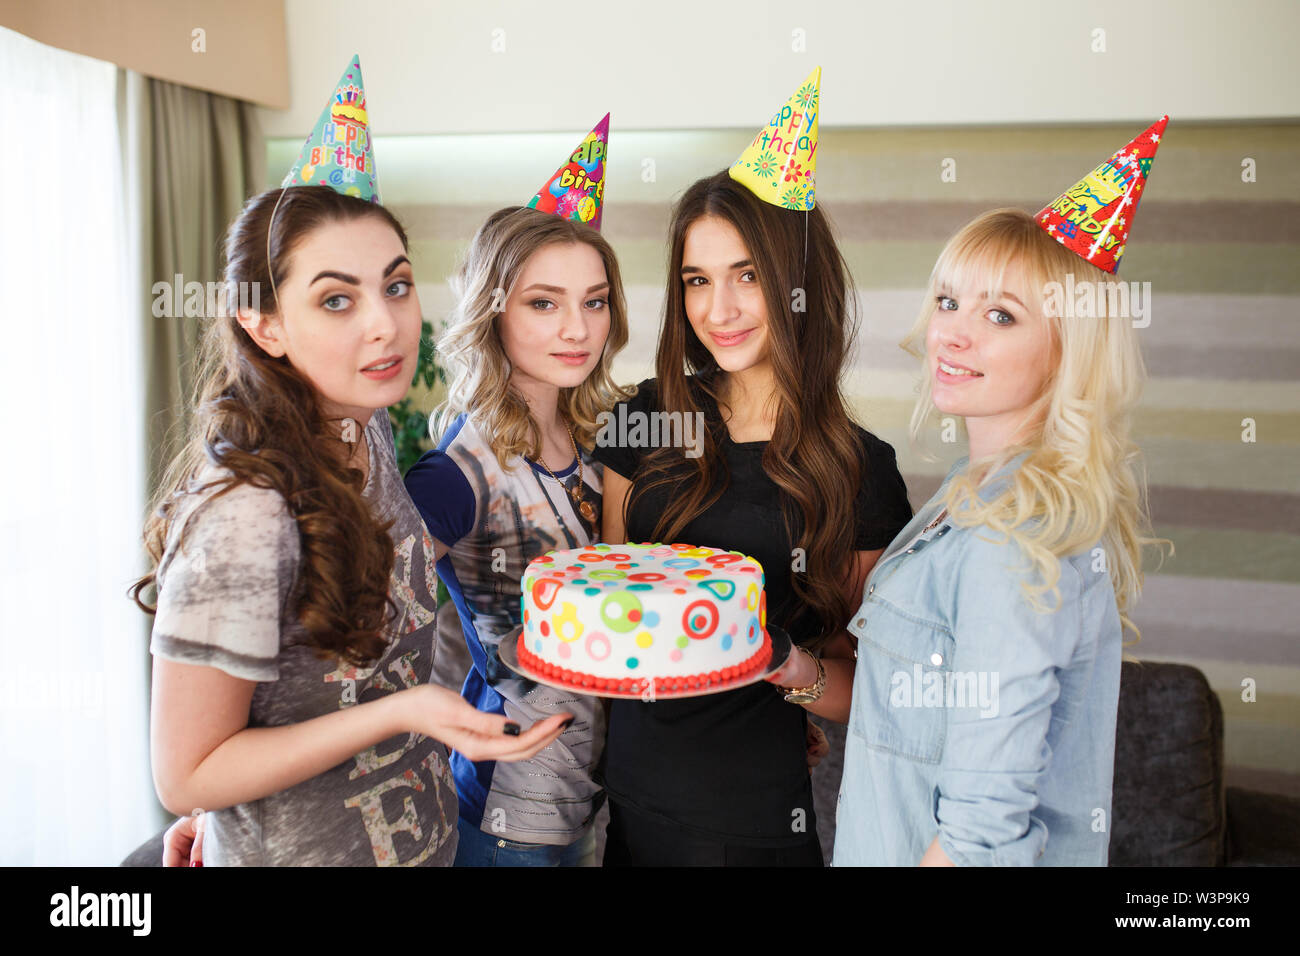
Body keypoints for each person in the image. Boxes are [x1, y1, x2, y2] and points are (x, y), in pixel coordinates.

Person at [136, 59, 568, 866]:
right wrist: (405, 711)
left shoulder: (359, 431)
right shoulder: (245, 512)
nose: (386, 325)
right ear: (264, 325)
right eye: (337, 299)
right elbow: (186, 768)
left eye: (396, 287)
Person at [827, 119, 1170, 866]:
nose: (951, 334)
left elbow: (981, 837)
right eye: (949, 301)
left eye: (1001, 315)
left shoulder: (1015, 532)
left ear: (1066, 352)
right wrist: (787, 667)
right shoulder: (972, 493)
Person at [593, 164, 913, 865]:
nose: (719, 309)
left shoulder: (861, 470)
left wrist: (785, 667)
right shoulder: (642, 420)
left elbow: (878, 696)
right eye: (697, 280)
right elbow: (605, 600)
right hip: (623, 810)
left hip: (753, 828)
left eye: (747, 275)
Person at [403, 202, 632, 866]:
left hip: (594, 793)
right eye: (543, 303)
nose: (577, 328)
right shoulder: (455, 475)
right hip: (509, 810)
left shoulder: (599, 437)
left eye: (595, 302)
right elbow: (360, 634)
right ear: (491, 312)